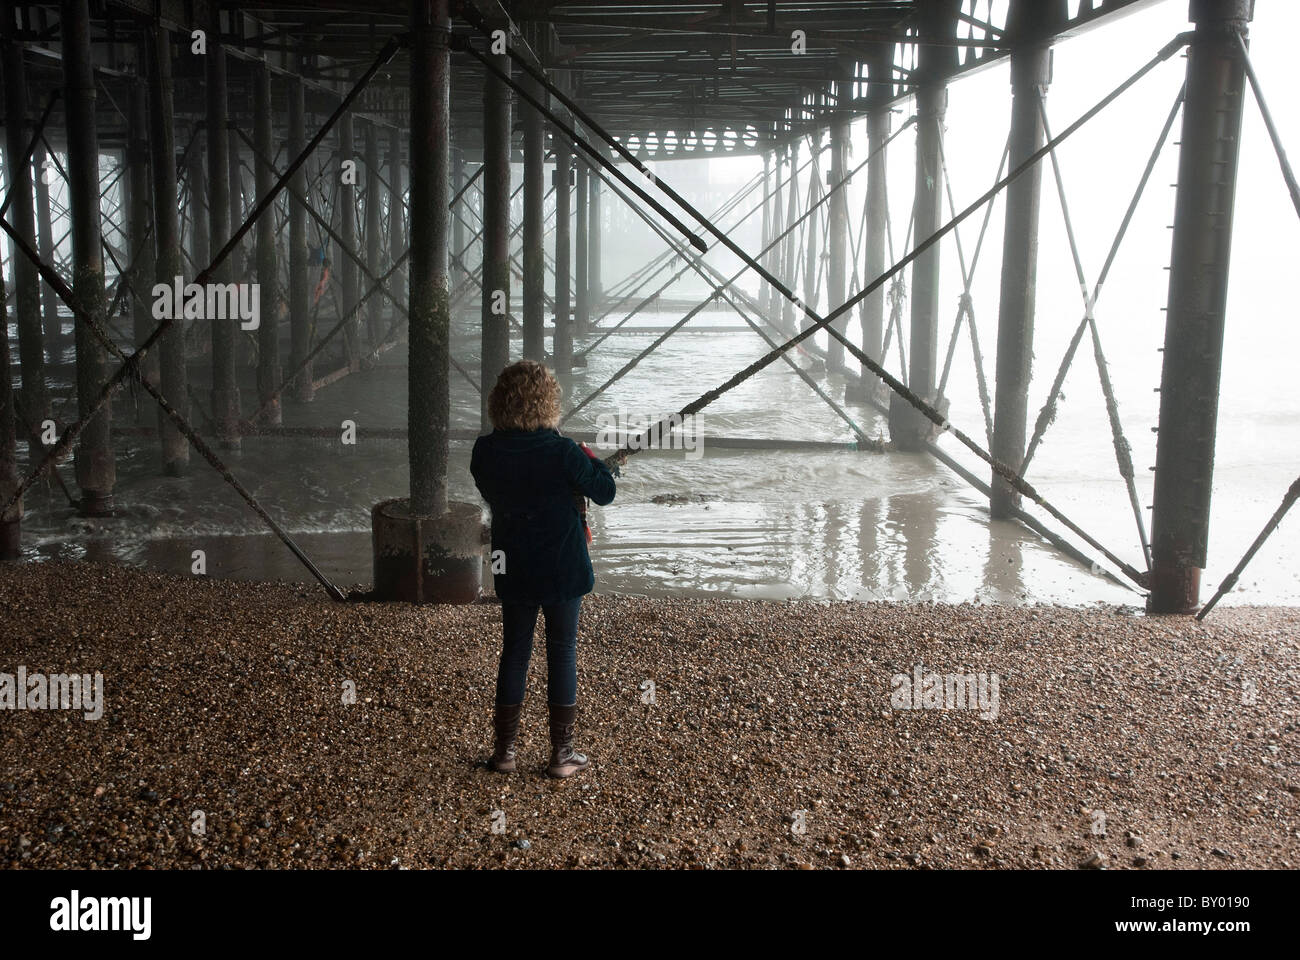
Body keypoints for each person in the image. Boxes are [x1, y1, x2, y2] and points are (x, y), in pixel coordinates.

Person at [470, 360, 623, 778]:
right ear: (548, 401)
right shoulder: (563, 452)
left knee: (514, 652)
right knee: (562, 651)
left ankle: (504, 753)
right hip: (562, 565)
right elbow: (605, 492)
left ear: (499, 402)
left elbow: (492, 492)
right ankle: (561, 755)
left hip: (513, 563)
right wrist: (594, 461)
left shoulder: (485, 450)